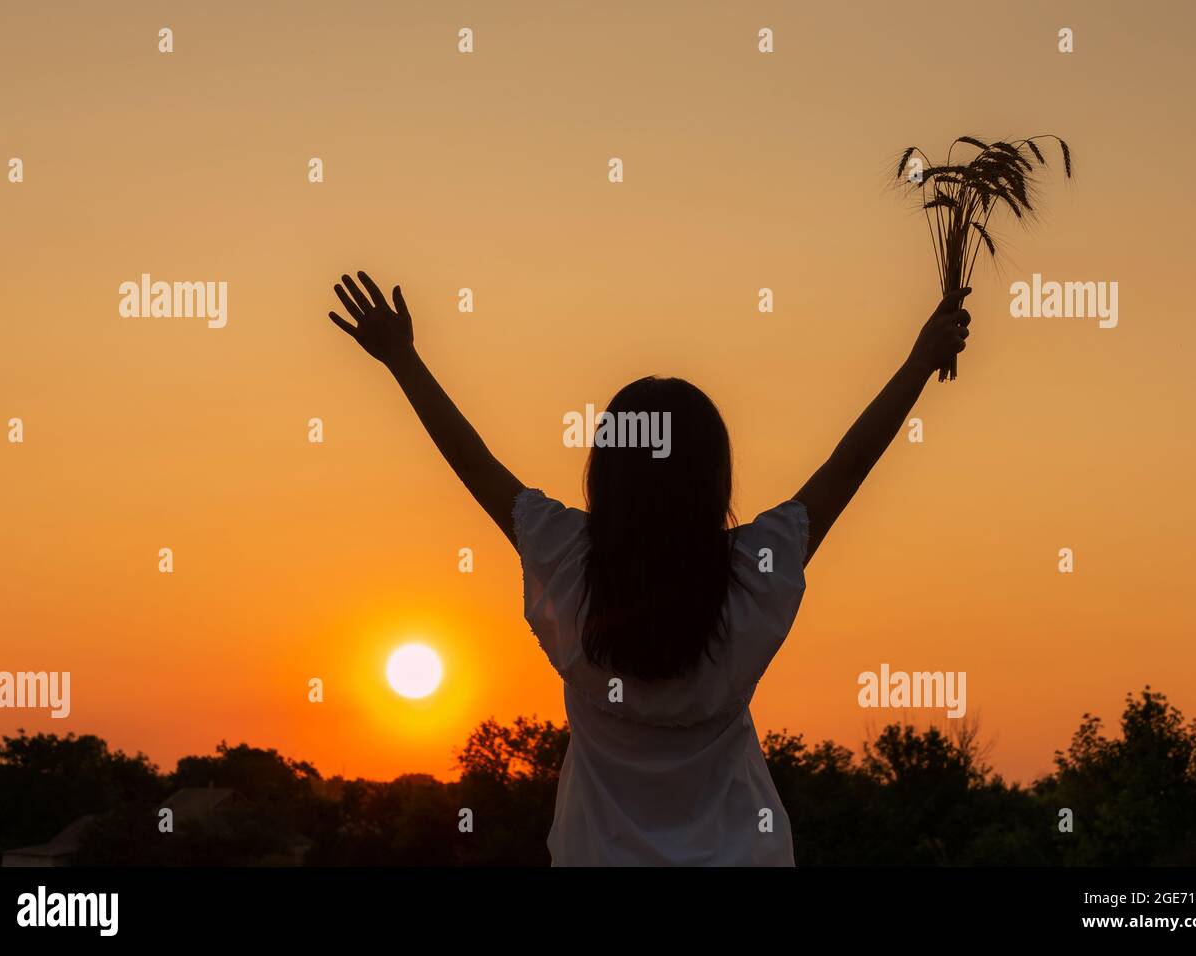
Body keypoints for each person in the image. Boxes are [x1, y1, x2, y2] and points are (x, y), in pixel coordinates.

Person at [329, 271, 971, 865]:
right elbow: (848, 467)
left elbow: (475, 465)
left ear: (606, 473)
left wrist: (403, 362)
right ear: (714, 480)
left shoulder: (567, 564)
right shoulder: (754, 572)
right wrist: (917, 363)